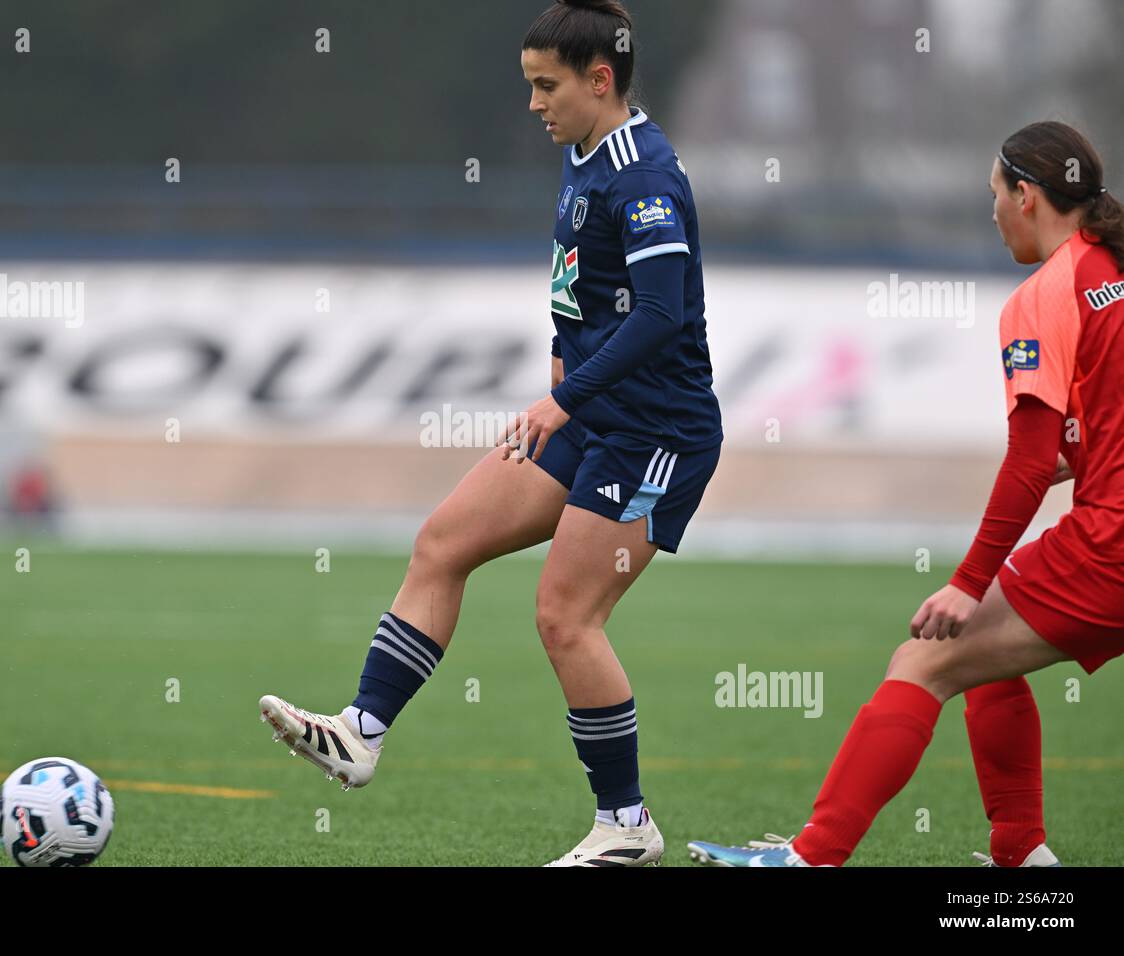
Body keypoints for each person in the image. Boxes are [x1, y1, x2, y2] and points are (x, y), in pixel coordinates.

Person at [261, 0, 722, 867]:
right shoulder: (584, 154)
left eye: (546, 86)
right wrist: (561, 361)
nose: (533, 103)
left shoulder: (644, 174)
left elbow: (661, 313)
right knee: (441, 542)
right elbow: (583, 288)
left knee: (565, 617)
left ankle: (627, 827)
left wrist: (563, 396)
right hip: (594, 413)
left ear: (600, 79)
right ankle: (361, 734)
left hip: (655, 432)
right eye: (527, 85)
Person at [687, 120, 1124, 868]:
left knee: (924, 659)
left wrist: (967, 580)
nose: (991, 213)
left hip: (1108, 546)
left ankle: (812, 856)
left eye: (993, 194)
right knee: (985, 659)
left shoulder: (1045, 295)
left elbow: (1025, 465)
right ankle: (1020, 855)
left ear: (1026, 195)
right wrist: (1088, 451)